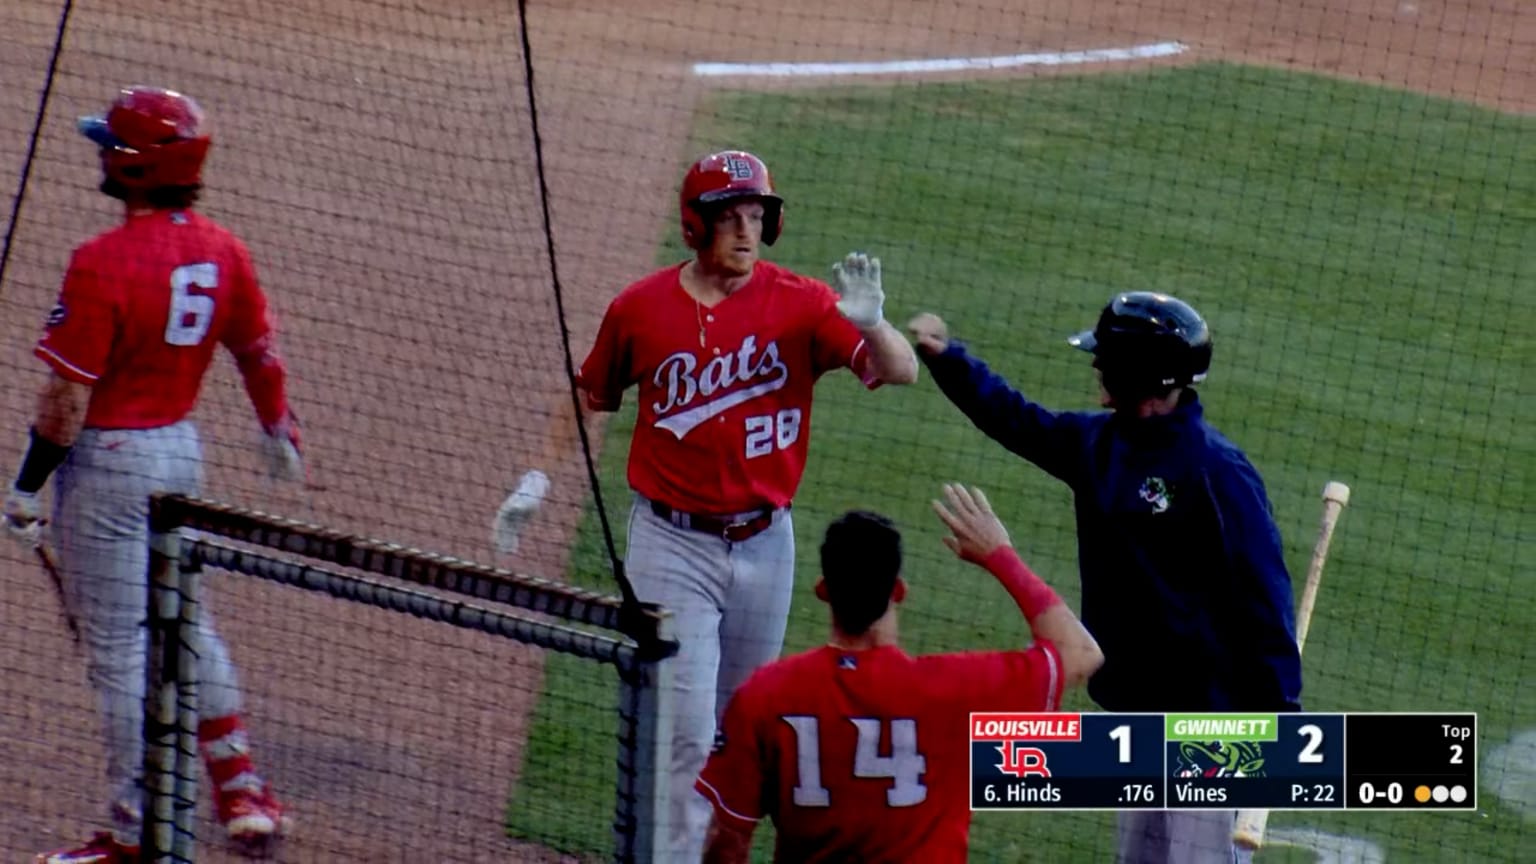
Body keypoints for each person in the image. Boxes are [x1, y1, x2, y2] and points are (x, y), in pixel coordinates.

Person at [492, 149, 919, 859]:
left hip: (765, 542)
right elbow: (590, 394)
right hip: (672, 544)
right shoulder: (641, 308)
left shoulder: (804, 303)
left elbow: (897, 370)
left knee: (743, 724)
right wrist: (539, 478)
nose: (747, 232)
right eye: (731, 218)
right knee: (684, 729)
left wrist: (873, 322)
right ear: (695, 226)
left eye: (757, 216)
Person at [2, 86, 301, 863]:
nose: (101, 152)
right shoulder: (223, 249)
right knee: (187, 622)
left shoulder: (100, 263)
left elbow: (66, 401)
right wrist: (277, 427)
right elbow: (258, 350)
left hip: (108, 466)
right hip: (181, 454)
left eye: (112, 145)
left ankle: (137, 833)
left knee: (119, 652)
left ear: (134, 167)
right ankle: (242, 789)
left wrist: (28, 484)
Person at [907, 292, 1302, 864]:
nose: (1096, 368)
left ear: (1143, 374)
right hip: (1136, 717)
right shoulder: (1099, 444)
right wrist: (949, 358)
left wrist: (1278, 724)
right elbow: (1017, 419)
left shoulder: (1217, 472)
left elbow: (1266, 602)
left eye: (1108, 360)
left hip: (1210, 728)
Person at [696, 483, 1104, 863]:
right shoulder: (956, 690)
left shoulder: (767, 696)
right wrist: (999, 555)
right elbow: (1082, 653)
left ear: (824, 591)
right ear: (899, 591)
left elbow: (726, 836)